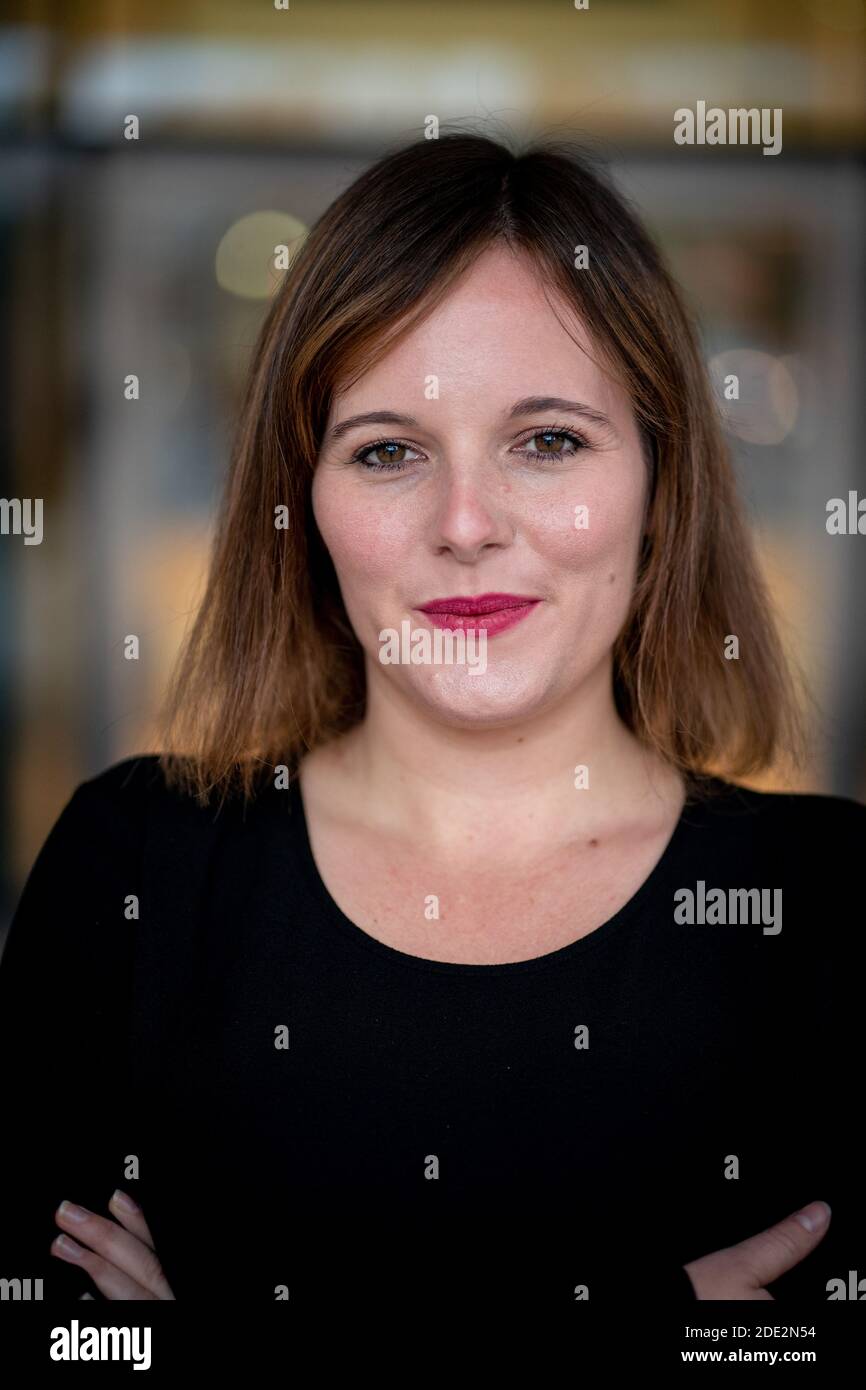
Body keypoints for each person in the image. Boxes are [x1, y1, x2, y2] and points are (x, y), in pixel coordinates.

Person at [0, 133, 862, 1310]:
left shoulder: (833, 908)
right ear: (300, 504)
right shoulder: (134, 867)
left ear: (662, 486)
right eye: (389, 450)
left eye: (546, 439)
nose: (465, 522)